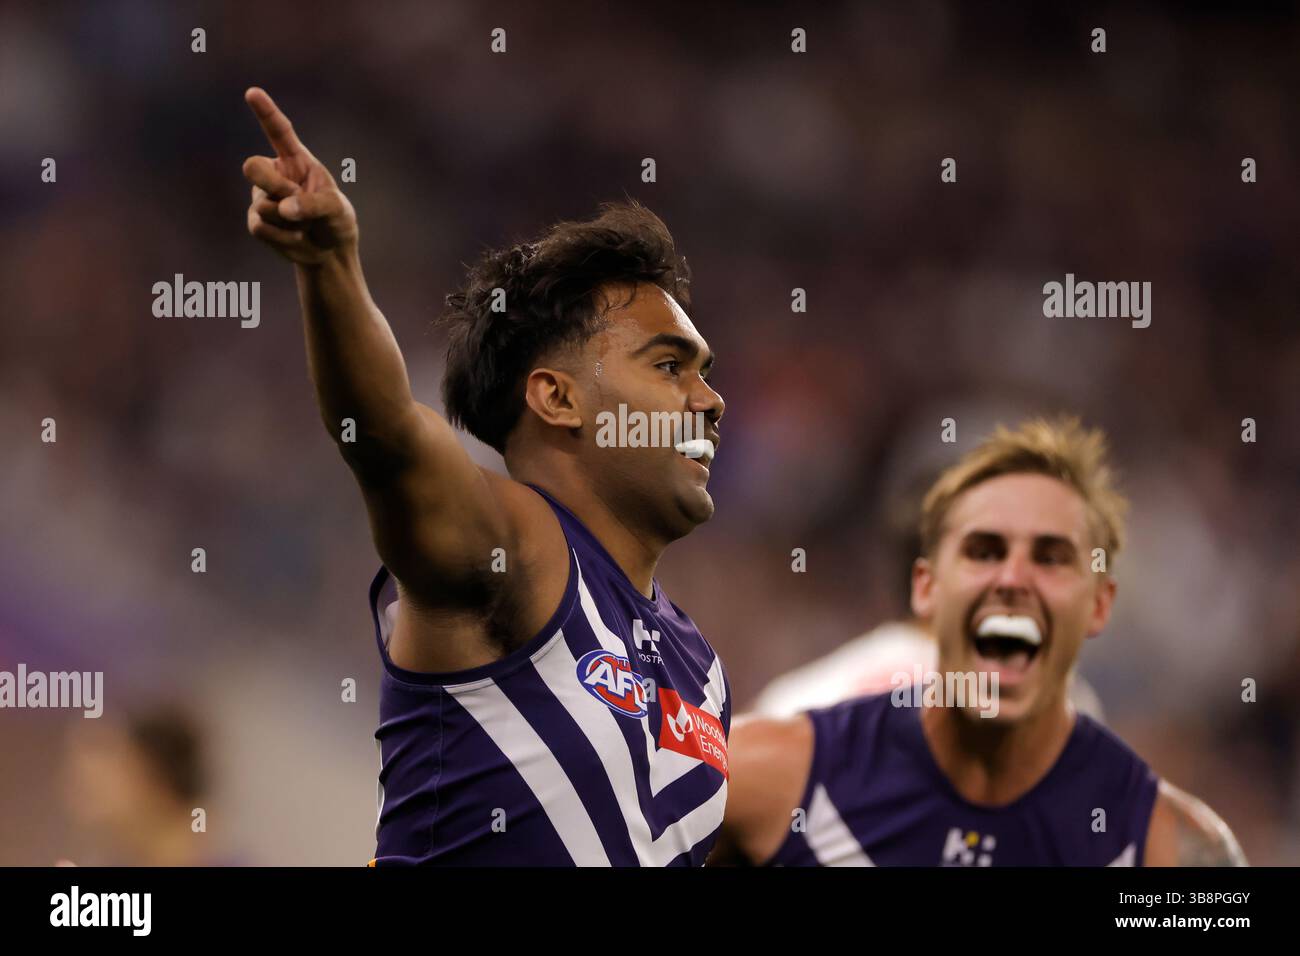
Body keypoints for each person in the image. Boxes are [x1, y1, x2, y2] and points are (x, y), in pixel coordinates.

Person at [242, 89, 730, 865]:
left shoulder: (699, 668)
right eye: (670, 366)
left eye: (705, 371)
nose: (709, 400)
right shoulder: (514, 552)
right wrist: (330, 266)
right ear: (557, 398)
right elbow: (388, 440)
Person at [716, 418, 1246, 866]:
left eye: (1051, 557)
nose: (1013, 579)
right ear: (925, 587)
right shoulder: (757, 778)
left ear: (1100, 603)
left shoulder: (1170, 847)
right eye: (984, 551)